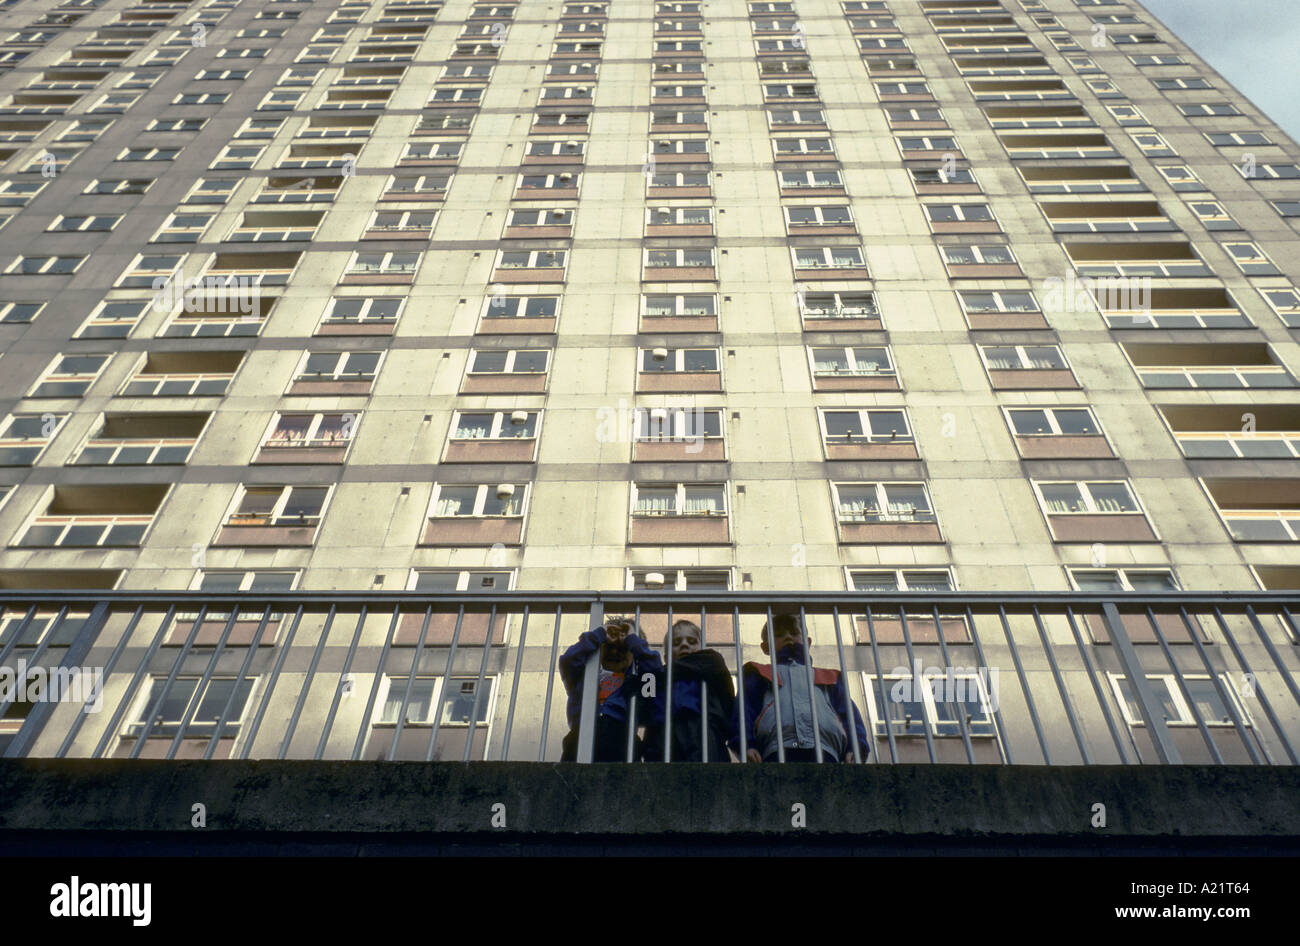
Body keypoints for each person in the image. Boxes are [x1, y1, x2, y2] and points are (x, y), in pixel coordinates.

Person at [731, 612, 869, 763]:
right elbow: (745, 711)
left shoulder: (830, 676)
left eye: (794, 633)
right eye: (779, 635)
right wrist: (746, 745)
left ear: (807, 642)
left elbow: (849, 714)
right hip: (776, 749)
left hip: (826, 749)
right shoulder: (758, 673)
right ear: (766, 647)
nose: (788, 637)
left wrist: (856, 747)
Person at [558, 616, 662, 761]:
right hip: (580, 739)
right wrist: (600, 634)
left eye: (623, 649)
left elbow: (654, 672)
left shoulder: (637, 683)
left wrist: (633, 639)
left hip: (622, 742)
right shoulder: (585, 677)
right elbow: (568, 661)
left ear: (634, 652)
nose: (614, 652)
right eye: (609, 646)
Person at [643, 619, 736, 762]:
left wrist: (656, 673)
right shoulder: (659, 678)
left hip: (703, 731)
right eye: (676, 643)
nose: (684, 644)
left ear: (702, 649)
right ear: (666, 657)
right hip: (663, 735)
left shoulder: (711, 663)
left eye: (692, 641)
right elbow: (644, 696)